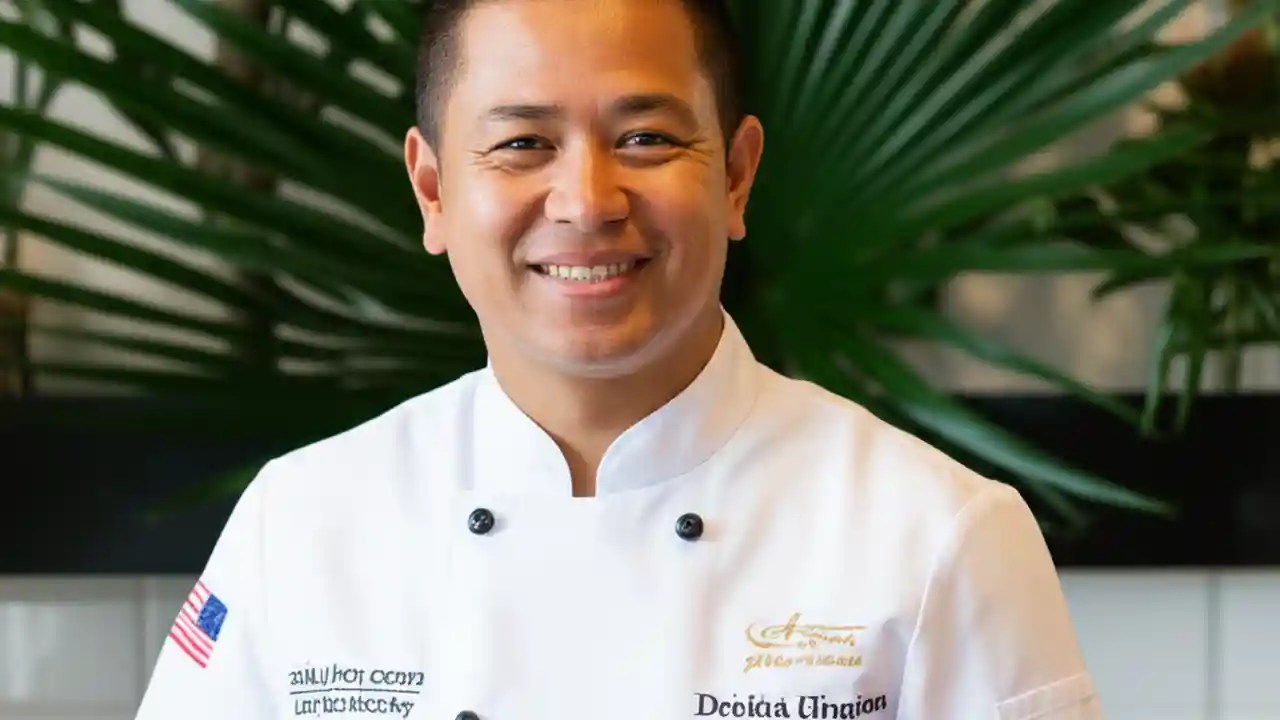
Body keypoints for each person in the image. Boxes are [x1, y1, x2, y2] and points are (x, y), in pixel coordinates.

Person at [134, 0, 1102, 718]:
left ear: (735, 173)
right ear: (431, 190)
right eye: (521, 143)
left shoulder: (940, 537)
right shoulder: (296, 527)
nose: (587, 199)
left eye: (643, 137)